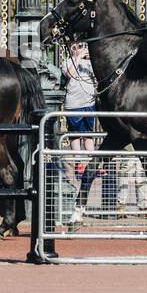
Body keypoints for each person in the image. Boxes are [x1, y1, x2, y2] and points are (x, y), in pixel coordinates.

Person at [61, 42, 97, 186]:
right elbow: (69, 73)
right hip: (74, 105)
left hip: (89, 103)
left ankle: (92, 164)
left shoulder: (88, 63)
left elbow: (96, 77)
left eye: (84, 46)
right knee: (75, 135)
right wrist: (78, 58)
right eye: (80, 46)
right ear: (73, 48)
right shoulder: (68, 61)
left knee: (88, 135)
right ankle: (79, 163)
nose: (83, 48)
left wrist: (92, 59)